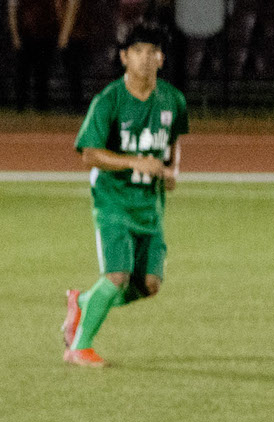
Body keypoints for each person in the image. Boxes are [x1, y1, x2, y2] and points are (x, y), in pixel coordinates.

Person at [62, 23, 189, 368]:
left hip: (150, 205)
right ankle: (79, 347)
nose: (145, 59)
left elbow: (175, 140)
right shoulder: (109, 101)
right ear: (124, 58)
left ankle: (84, 302)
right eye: (137, 52)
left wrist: (173, 170)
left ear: (162, 59)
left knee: (149, 284)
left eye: (152, 52)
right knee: (117, 276)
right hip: (113, 201)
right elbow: (89, 153)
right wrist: (135, 162)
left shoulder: (173, 100)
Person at [8, 0, 59, 111]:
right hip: (25, 35)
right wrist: (15, 35)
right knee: (22, 73)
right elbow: (12, 11)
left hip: (43, 36)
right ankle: (20, 105)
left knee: (41, 74)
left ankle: (42, 106)